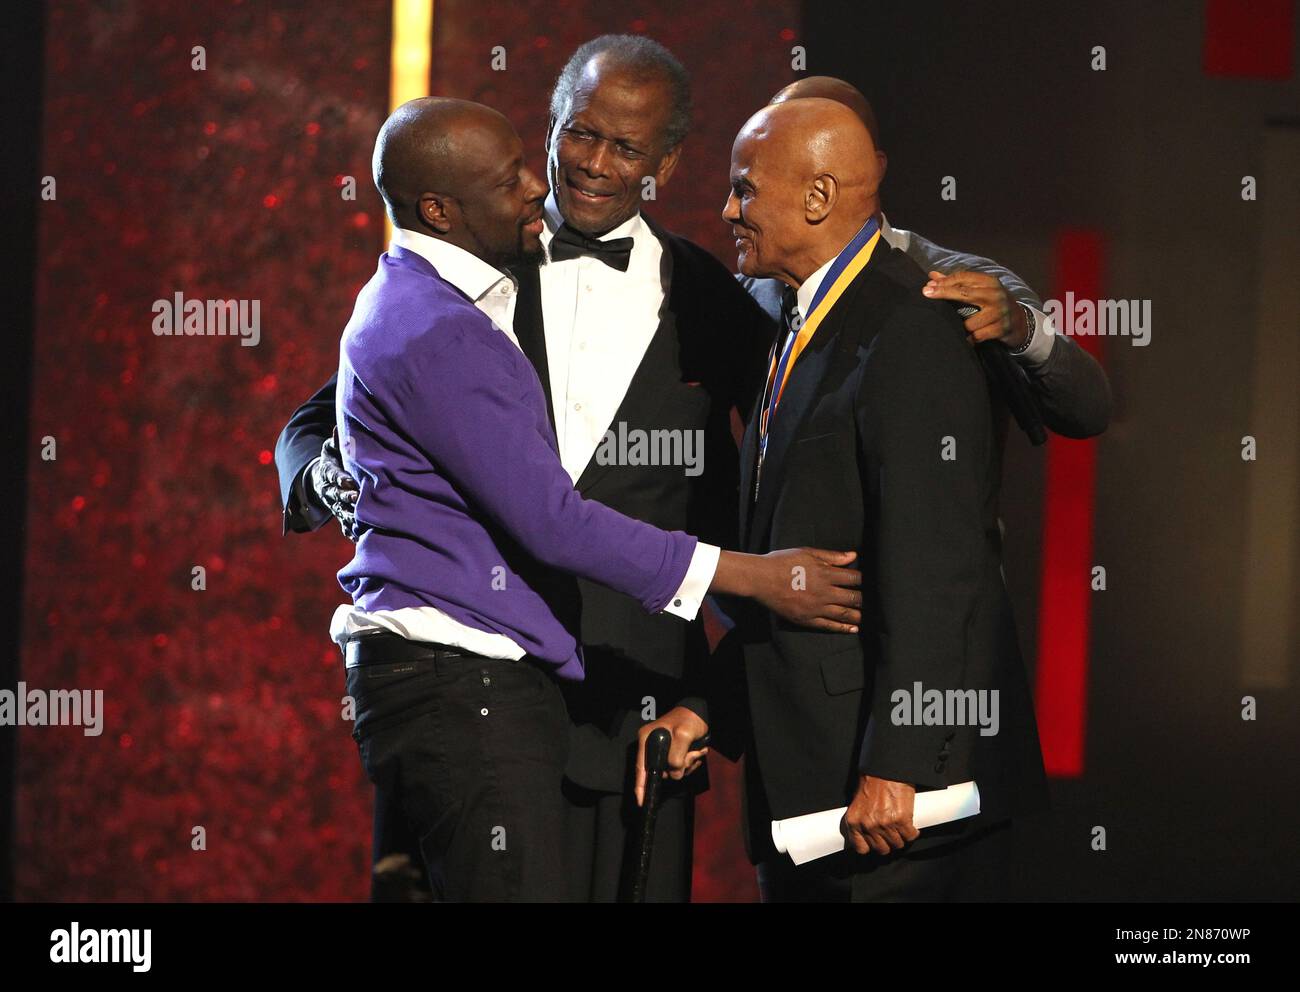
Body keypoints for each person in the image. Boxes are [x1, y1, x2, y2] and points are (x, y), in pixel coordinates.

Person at [275, 35, 777, 903]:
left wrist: (721, 690)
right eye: (580, 133)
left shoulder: (709, 299)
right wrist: (325, 474)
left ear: (667, 160)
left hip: (640, 704)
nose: (591, 164)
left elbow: (776, 481)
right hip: (483, 687)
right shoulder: (472, 261)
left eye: (625, 148)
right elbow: (324, 413)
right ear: (550, 122)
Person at [659, 97, 1049, 902]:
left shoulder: (911, 327)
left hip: (897, 813)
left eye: (743, 188)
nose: (727, 209)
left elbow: (938, 568)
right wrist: (711, 707)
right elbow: (811, 560)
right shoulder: (794, 325)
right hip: (812, 793)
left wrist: (900, 761)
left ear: (816, 197)